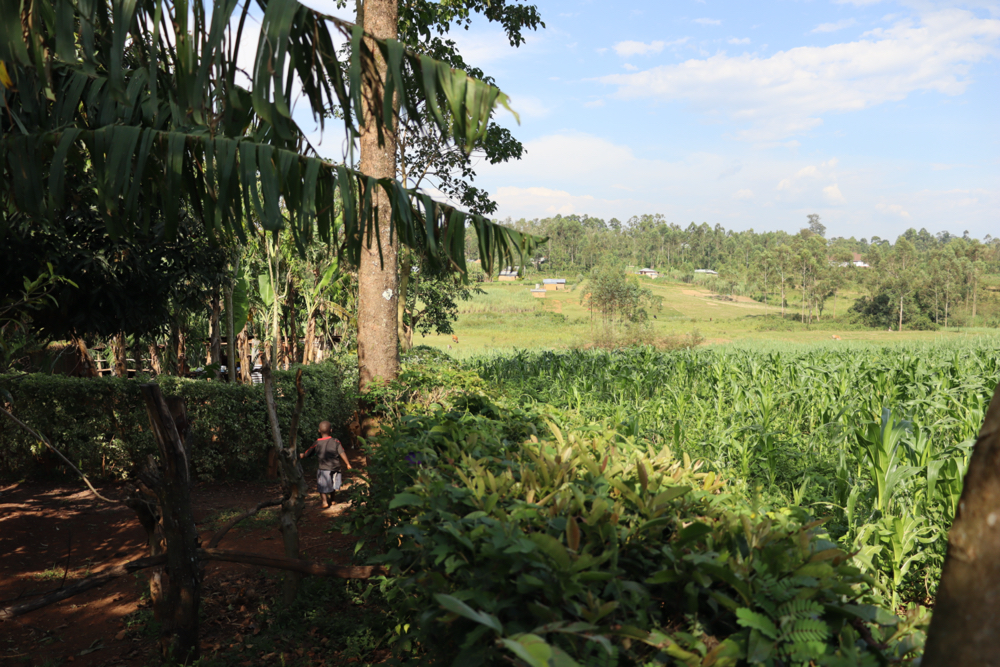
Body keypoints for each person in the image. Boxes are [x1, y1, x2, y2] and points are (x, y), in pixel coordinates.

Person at [299, 420, 351, 509]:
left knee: (322, 485)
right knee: (333, 484)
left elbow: (307, 453)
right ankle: (333, 500)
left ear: (319, 431)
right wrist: (348, 464)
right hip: (335, 467)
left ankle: (324, 502)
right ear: (331, 430)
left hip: (323, 469)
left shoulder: (317, 443)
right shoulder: (336, 441)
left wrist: (301, 455)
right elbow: (342, 452)